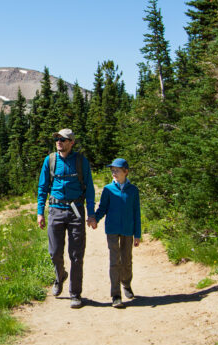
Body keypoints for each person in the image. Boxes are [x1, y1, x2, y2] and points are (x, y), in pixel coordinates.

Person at [37, 128, 96, 308]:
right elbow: (43, 188)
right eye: (57, 139)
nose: (59, 142)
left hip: (76, 210)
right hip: (55, 210)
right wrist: (40, 212)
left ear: (72, 142)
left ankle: (75, 294)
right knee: (55, 252)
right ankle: (60, 275)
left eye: (63, 139)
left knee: (76, 255)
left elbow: (90, 189)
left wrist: (91, 214)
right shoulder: (50, 160)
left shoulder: (80, 161)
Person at [94, 158, 142, 308]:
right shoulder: (108, 189)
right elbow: (102, 208)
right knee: (115, 261)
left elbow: (136, 213)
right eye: (112, 170)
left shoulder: (133, 190)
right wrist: (94, 218)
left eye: (117, 170)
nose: (114, 173)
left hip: (128, 230)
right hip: (112, 230)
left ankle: (126, 283)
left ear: (126, 172)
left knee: (126, 260)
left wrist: (137, 234)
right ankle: (116, 295)